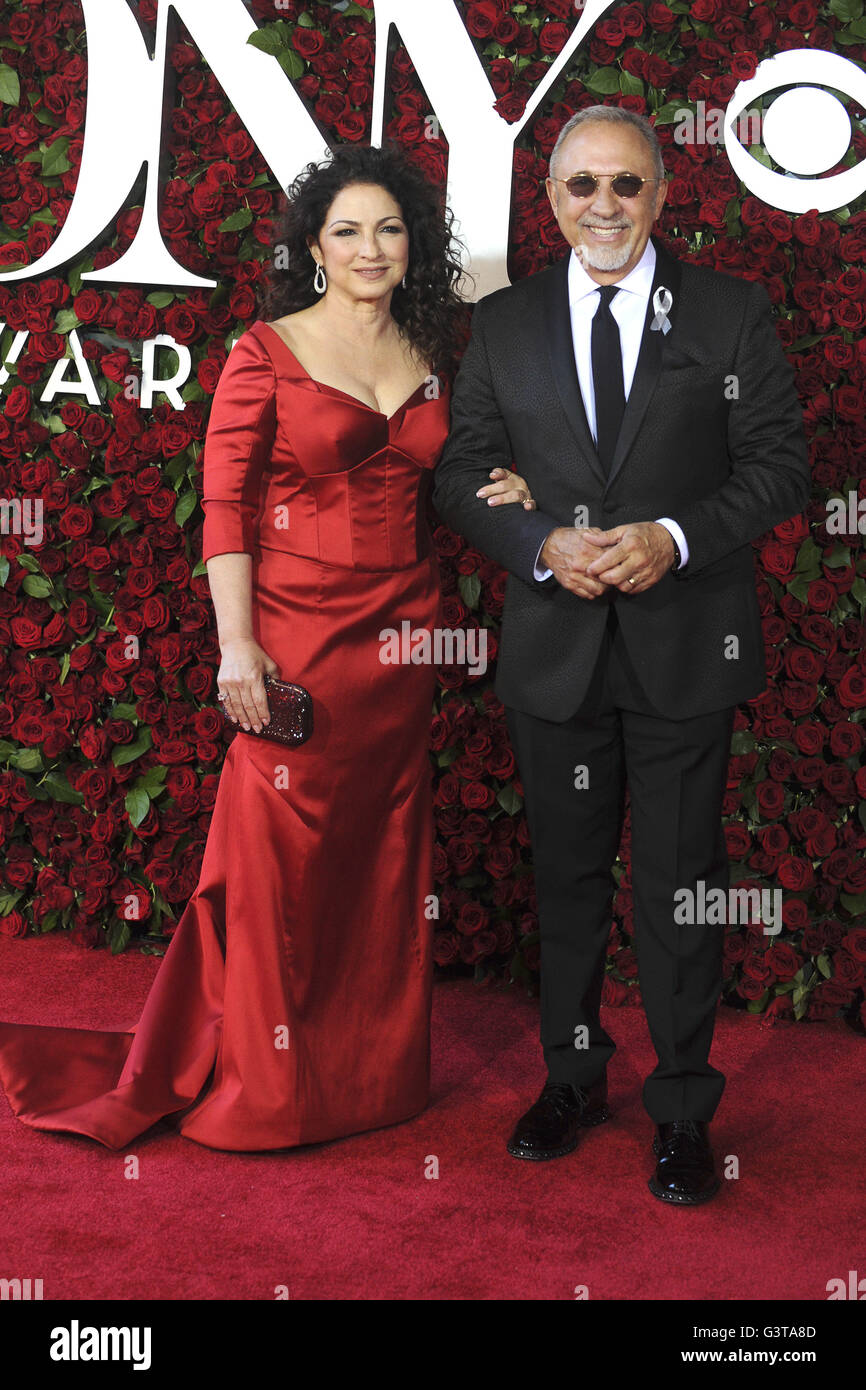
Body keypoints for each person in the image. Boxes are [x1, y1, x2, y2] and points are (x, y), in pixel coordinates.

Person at [0, 143, 533, 1152]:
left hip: (403, 638)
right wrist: (236, 647)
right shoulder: (266, 351)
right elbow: (225, 507)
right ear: (313, 249)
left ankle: (367, 1078)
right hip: (295, 635)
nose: (370, 248)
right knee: (278, 857)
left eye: (388, 228)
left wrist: (505, 489)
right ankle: (267, 1080)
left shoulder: (430, 355)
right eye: (347, 231)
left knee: (378, 858)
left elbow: (444, 481)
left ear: (412, 241)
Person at [432, 106, 810, 1204]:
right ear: (549, 199)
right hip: (555, 646)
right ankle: (572, 1078)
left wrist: (671, 538)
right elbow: (460, 474)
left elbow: (780, 466)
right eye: (580, 186)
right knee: (563, 880)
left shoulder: (730, 316)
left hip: (685, 644)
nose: (602, 205)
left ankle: (683, 1104)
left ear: (660, 194)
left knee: (680, 884)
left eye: (625, 186)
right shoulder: (501, 325)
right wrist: (538, 540)